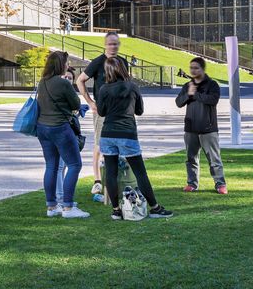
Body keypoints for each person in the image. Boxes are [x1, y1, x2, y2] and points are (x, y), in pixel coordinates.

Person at [97, 57, 172, 219]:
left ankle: (116, 209)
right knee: (140, 173)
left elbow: (101, 112)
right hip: (127, 133)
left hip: (108, 133)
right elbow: (139, 110)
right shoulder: (132, 87)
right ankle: (155, 207)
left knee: (111, 172)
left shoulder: (103, 89)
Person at [76, 32, 128, 199]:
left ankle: (117, 178)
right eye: (110, 44)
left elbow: (127, 83)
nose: (113, 47)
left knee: (118, 144)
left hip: (119, 111)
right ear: (105, 45)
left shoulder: (123, 62)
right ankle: (97, 180)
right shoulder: (98, 63)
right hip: (103, 111)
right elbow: (80, 80)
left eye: (116, 44)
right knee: (100, 144)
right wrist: (90, 102)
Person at [37, 50, 89, 218]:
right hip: (60, 127)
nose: (68, 66)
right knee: (74, 164)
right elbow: (75, 103)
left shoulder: (42, 82)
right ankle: (68, 207)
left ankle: (51, 207)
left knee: (51, 166)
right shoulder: (63, 83)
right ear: (60, 65)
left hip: (42, 128)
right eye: (66, 63)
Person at [176, 57, 227, 194]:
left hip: (208, 129)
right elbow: (179, 102)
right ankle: (192, 183)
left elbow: (213, 100)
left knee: (214, 159)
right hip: (191, 128)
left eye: (196, 68)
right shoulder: (187, 86)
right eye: (191, 67)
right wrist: (188, 94)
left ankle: (220, 184)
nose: (193, 70)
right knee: (191, 159)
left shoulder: (212, 85)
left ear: (203, 69)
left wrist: (196, 94)